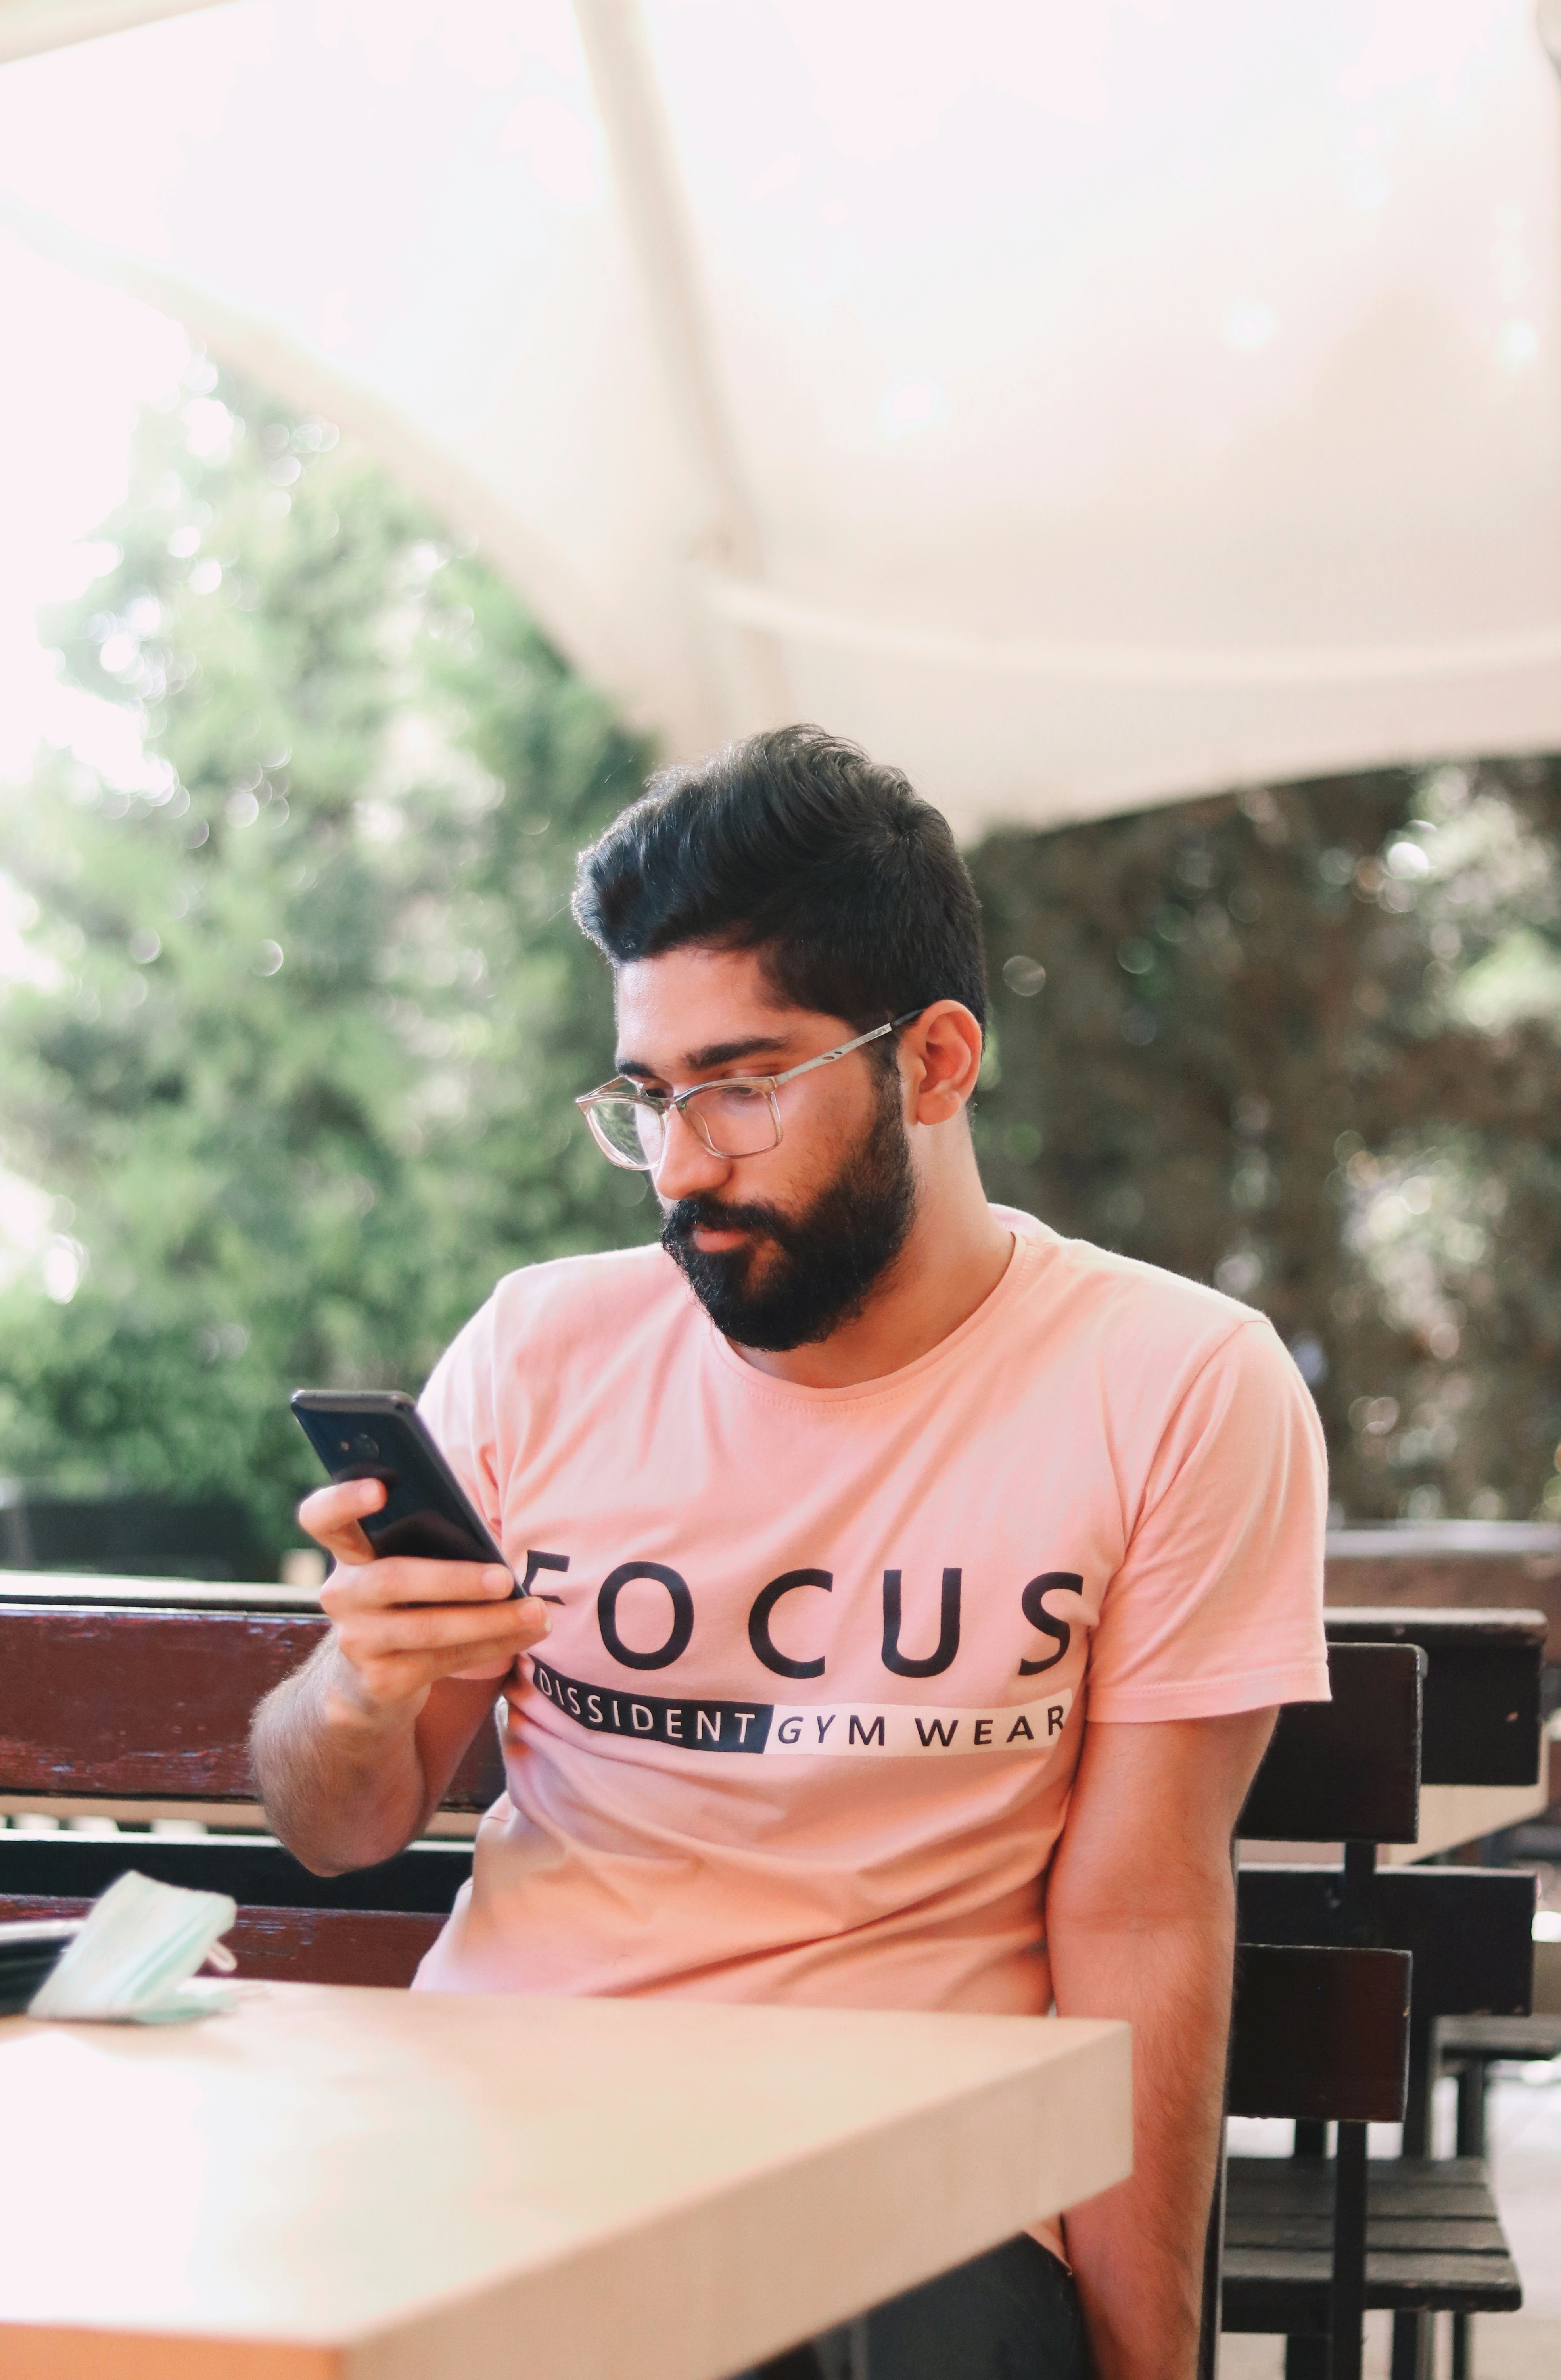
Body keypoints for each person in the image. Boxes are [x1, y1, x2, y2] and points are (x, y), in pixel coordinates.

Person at [253, 725, 1328, 2380]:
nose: (684, 1168)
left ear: (938, 1062)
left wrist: (1147, 2365)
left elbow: (1139, 1922)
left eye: (744, 1087)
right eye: (649, 1099)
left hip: (907, 2191)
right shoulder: (541, 1350)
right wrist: (353, 1685)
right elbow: (341, 1828)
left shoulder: (1174, 1383)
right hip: (508, 2139)